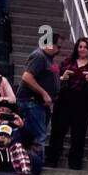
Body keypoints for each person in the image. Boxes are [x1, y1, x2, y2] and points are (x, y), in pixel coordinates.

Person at [45, 39, 88, 170]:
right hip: (65, 100)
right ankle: (52, 159)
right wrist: (63, 77)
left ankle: (75, 162)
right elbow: (54, 79)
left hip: (84, 103)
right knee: (58, 130)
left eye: (85, 47)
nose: (82, 49)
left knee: (79, 133)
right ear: (76, 48)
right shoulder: (67, 62)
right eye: (80, 47)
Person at [16, 33, 62, 167]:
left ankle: (31, 167)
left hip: (38, 104)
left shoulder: (48, 59)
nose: (59, 50)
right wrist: (44, 93)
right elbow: (27, 76)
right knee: (39, 137)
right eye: (57, 46)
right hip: (32, 102)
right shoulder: (39, 56)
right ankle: (36, 169)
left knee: (32, 137)